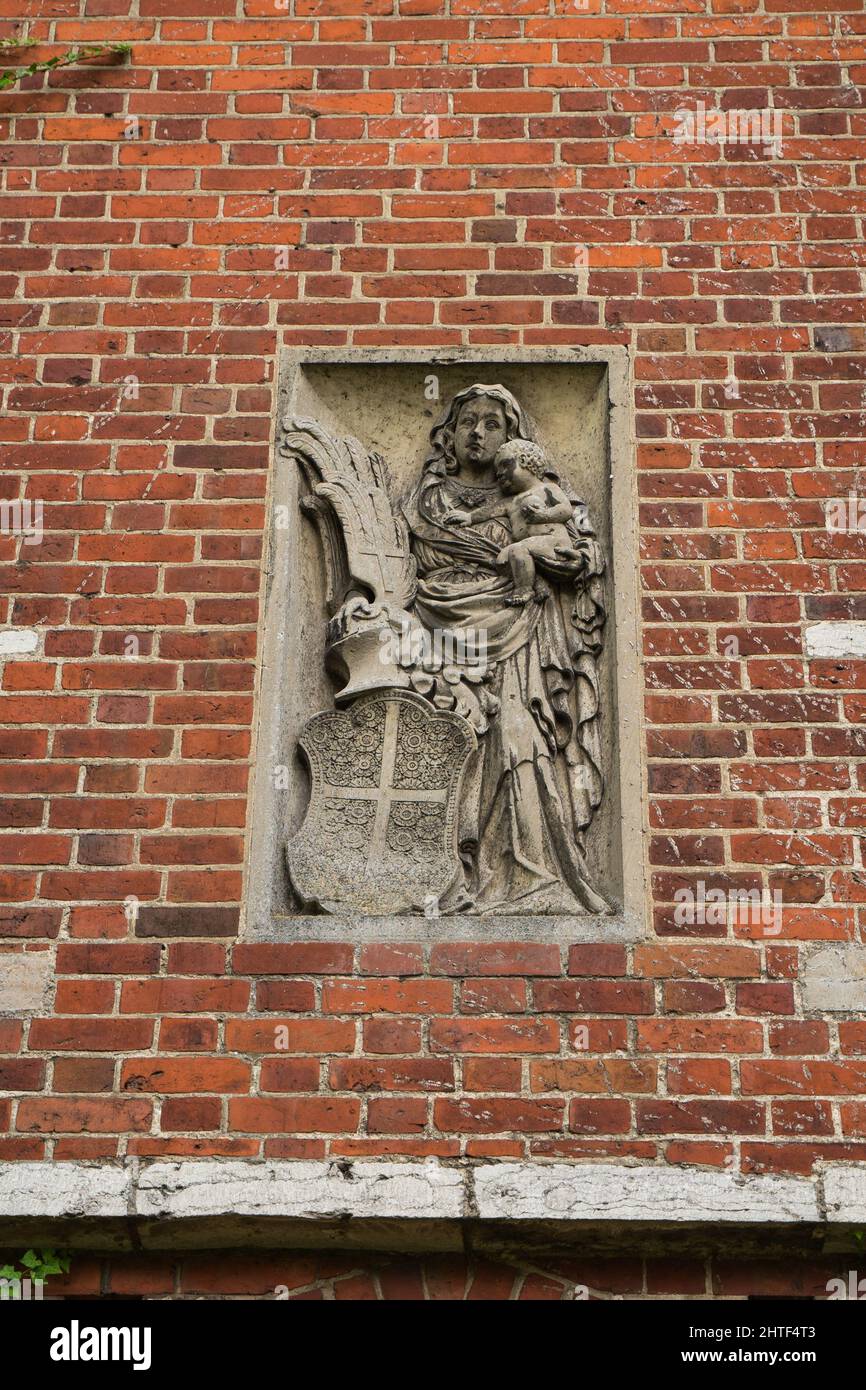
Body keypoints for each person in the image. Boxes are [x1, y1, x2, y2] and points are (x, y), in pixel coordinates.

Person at [400, 383, 611, 915]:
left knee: (519, 738)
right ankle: (446, 875)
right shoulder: (430, 500)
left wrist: (543, 555)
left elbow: (582, 554)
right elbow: (404, 570)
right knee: (449, 742)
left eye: (493, 423)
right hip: (439, 634)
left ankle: (531, 876)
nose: (478, 432)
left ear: (511, 437)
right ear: (448, 433)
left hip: (519, 632)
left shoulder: (536, 495)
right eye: (468, 421)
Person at [445, 437, 583, 607]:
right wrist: (469, 518)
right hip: (529, 546)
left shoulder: (547, 489)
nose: (499, 473)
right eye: (497, 470)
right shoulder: (511, 501)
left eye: (504, 465)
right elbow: (489, 511)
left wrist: (544, 516)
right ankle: (537, 582)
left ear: (524, 461)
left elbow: (566, 510)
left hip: (554, 544)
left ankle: (524, 589)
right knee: (502, 559)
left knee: (518, 549)